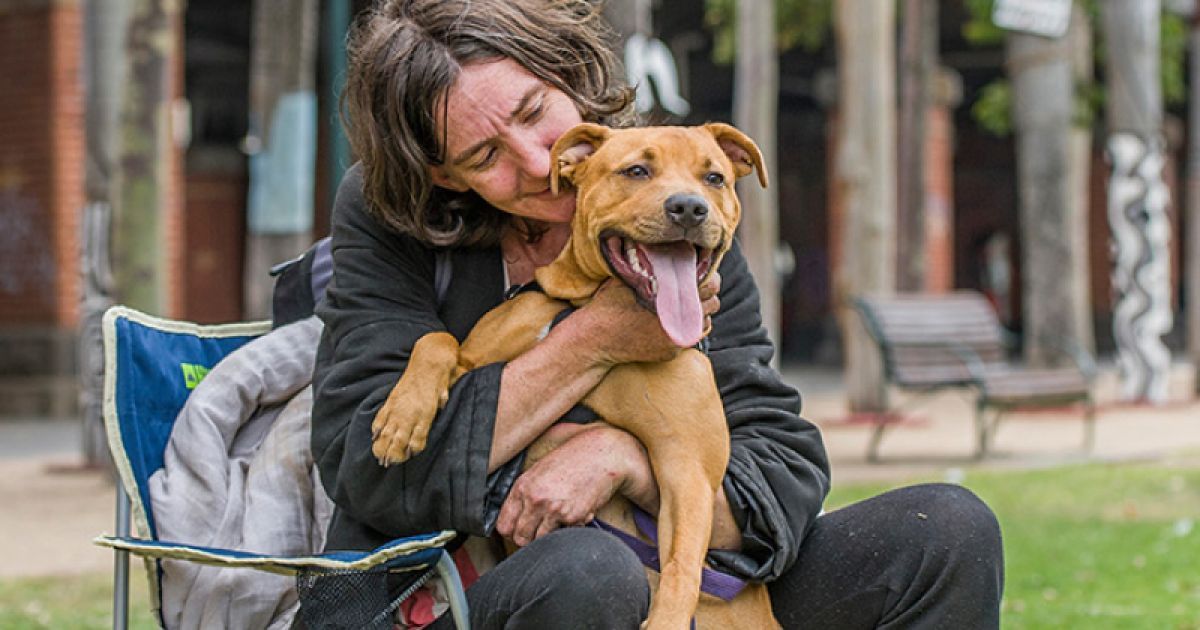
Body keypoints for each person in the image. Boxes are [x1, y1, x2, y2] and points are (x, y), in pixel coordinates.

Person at [310, 0, 1005, 628]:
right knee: (588, 572)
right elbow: (369, 469)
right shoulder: (390, 215)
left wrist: (630, 463)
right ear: (442, 174)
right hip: (469, 594)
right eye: (485, 154)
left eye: (532, 113)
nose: (536, 158)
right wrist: (595, 338)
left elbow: (782, 464)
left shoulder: (674, 212)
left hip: (691, 582)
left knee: (947, 528)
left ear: (564, 74)